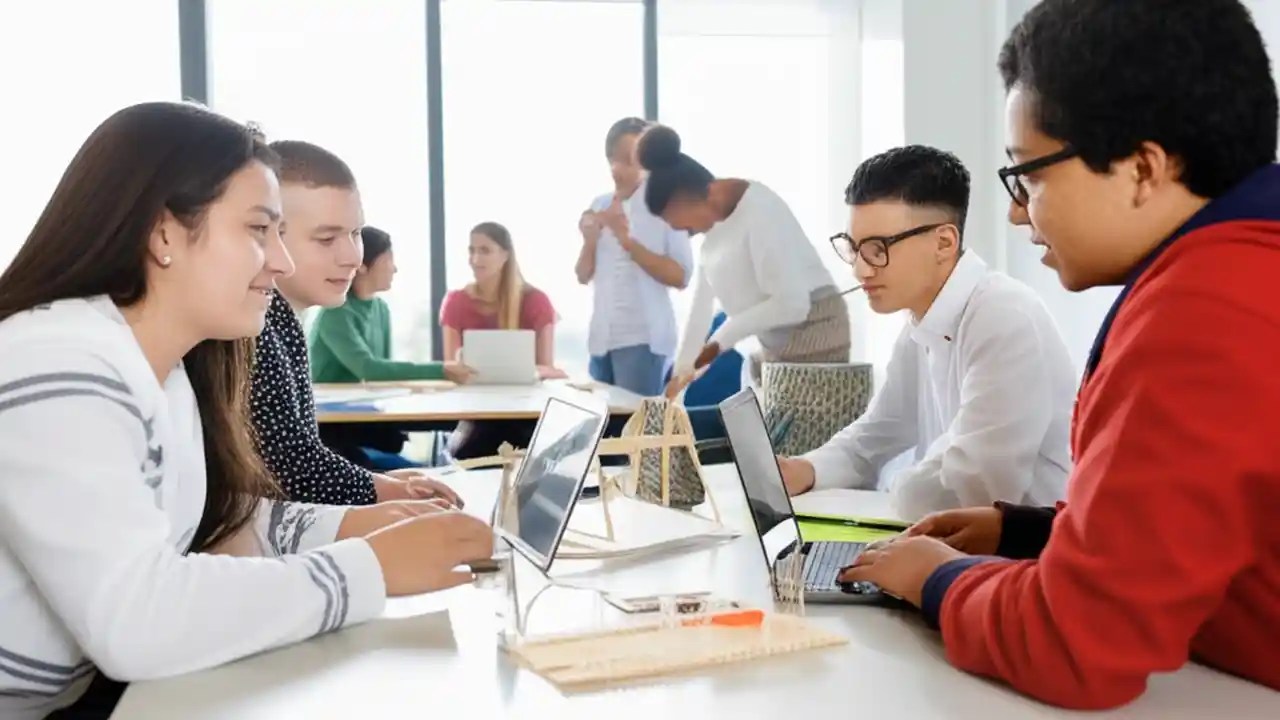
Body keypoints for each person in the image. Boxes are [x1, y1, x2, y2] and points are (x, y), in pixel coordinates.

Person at [842, 0, 1280, 709]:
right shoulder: (1239, 269)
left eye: (1030, 176)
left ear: (1143, 169)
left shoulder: (1202, 311)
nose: (1018, 212)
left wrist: (933, 578)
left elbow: (1076, 643)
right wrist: (1029, 531)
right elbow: (1201, 531)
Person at [0, 102, 494, 720]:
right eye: (259, 231)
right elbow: (136, 619)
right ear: (162, 234)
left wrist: (352, 526)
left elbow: (212, 526)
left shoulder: (169, 370)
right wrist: (368, 569)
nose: (281, 262)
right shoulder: (57, 360)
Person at [777, 146, 1074, 520]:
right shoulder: (922, 321)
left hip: (1025, 560)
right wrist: (804, 470)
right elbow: (877, 434)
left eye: (877, 249)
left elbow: (973, 485)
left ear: (944, 243)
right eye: (854, 249)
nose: (861, 270)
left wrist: (892, 482)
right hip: (959, 547)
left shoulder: (1003, 316)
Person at [251, 141, 460, 505]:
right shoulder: (257, 329)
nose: (352, 257)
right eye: (327, 238)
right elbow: (290, 470)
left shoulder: (283, 320)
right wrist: (382, 489)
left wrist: (380, 483)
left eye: (355, 234)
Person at [635, 125, 849, 394]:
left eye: (674, 222)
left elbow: (792, 305)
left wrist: (719, 342)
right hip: (776, 345)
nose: (678, 231)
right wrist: (679, 376)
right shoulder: (712, 237)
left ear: (683, 199)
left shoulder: (759, 210)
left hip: (817, 334)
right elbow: (699, 314)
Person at [310, 225, 473, 471]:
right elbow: (370, 369)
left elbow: (382, 374)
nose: (394, 268)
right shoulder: (336, 312)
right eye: (389, 260)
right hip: (334, 426)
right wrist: (442, 370)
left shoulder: (380, 309)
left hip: (368, 414)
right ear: (363, 266)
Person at [575, 117, 693, 396]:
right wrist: (590, 241)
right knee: (606, 431)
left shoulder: (664, 205)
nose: (618, 168)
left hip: (643, 338)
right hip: (602, 340)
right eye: (613, 159)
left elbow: (681, 275)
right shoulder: (599, 204)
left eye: (628, 160)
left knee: (635, 432)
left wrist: (626, 240)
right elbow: (582, 275)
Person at [440, 222, 561, 459]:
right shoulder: (456, 301)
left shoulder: (536, 301)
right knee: (477, 446)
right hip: (478, 412)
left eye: (484, 250)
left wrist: (524, 372)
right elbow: (450, 367)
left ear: (505, 255)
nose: (475, 259)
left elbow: (547, 367)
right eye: (471, 250)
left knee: (526, 446)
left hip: (525, 411)